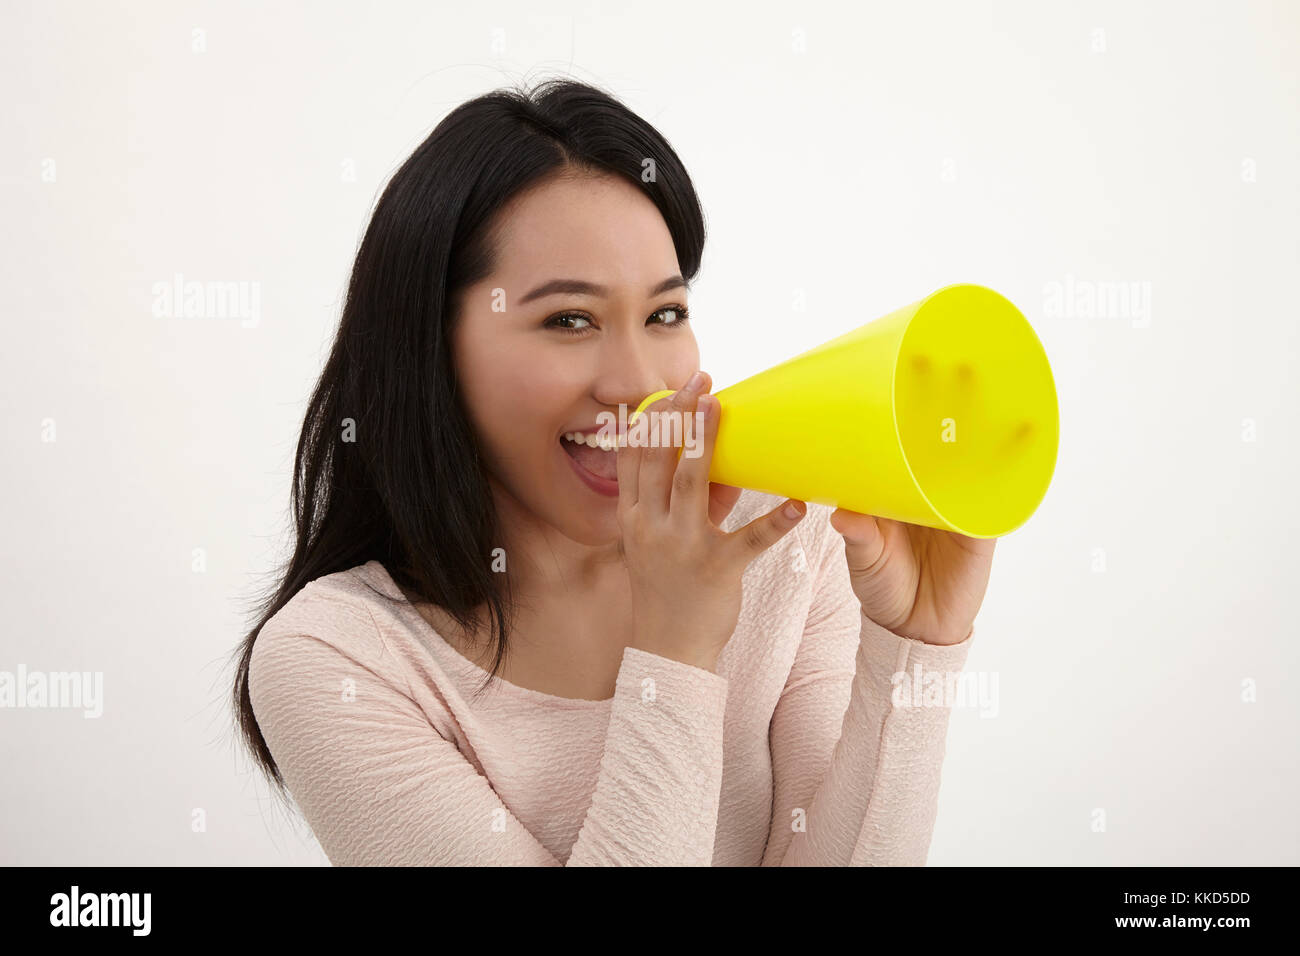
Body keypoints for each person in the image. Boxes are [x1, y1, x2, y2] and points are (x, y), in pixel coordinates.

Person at [229, 76, 994, 866]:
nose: (637, 384)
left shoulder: (786, 541)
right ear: (430, 346)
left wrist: (913, 647)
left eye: (665, 314)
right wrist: (674, 647)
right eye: (569, 320)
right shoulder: (337, 656)